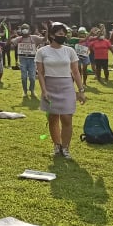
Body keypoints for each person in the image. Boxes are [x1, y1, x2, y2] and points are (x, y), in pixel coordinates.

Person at [36, 22, 86, 159]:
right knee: (53, 118)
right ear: (51, 35)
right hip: (50, 85)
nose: (62, 36)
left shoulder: (69, 51)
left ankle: (66, 148)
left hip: (66, 86)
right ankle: (57, 145)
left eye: (64, 34)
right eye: (59, 34)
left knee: (67, 118)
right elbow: (40, 73)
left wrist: (81, 90)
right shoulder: (42, 51)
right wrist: (44, 90)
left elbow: (76, 71)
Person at [9, 25, 43, 98]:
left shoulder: (34, 38)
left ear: (30, 30)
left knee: (32, 77)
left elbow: (44, 40)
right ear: (21, 31)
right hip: (23, 60)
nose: (25, 30)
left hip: (32, 60)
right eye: (23, 29)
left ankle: (32, 90)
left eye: (26, 29)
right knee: (23, 77)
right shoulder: (19, 39)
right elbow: (9, 43)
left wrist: (47, 30)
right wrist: (9, 32)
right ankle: (25, 91)